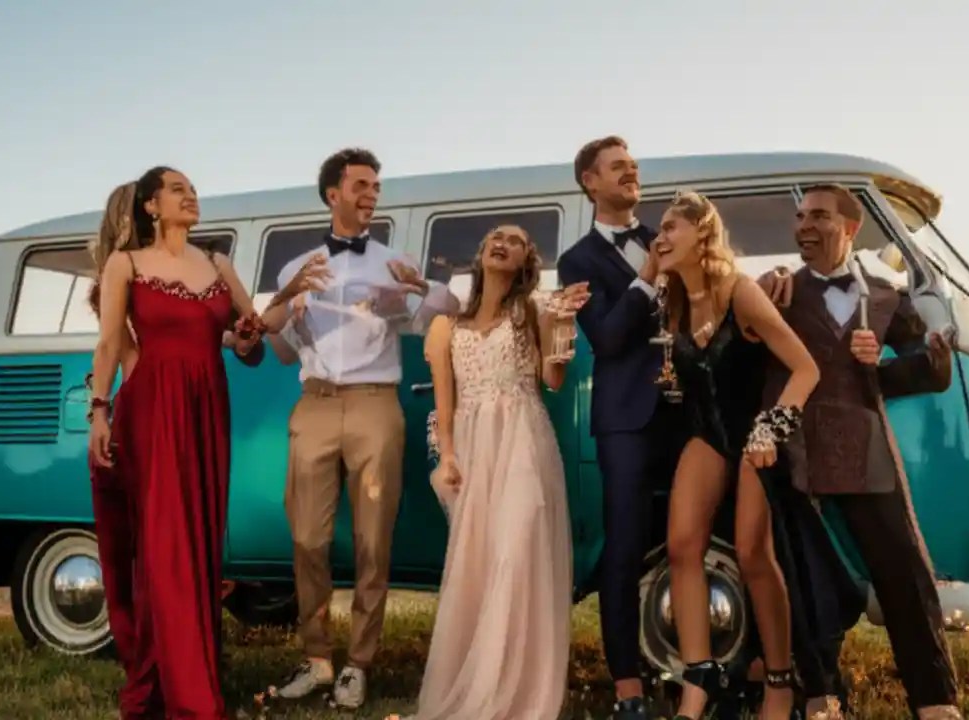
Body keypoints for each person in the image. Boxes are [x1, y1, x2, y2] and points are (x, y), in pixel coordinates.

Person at [758, 183, 961, 720]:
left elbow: (930, 371)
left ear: (850, 229)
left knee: (905, 572)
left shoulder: (887, 294)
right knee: (805, 574)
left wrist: (882, 367)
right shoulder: (779, 292)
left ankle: (936, 700)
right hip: (797, 454)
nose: (803, 225)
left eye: (818, 216)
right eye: (800, 216)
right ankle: (821, 693)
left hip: (867, 451)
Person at [267, 147, 460, 710]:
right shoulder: (294, 267)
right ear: (334, 194)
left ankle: (359, 664)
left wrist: (414, 289)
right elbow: (279, 349)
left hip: (377, 403)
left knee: (375, 538)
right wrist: (291, 309)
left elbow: (450, 310)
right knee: (307, 536)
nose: (372, 193)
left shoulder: (394, 260)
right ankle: (317, 657)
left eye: (376, 185)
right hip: (316, 403)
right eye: (361, 185)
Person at [386, 224, 591, 720]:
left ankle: (520, 689)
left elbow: (553, 378)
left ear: (526, 262)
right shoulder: (445, 328)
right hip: (475, 446)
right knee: (477, 559)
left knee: (518, 549)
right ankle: (477, 679)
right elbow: (445, 401)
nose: (503, 242)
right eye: (495, 236)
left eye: (517, 240)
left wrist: (563, 324)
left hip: (523, 437)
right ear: (480, 254)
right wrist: (449, 455)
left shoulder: (533, 311)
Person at [88, 167, 265, 719]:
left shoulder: (218, 265)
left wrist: (254, 334)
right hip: (150, 407)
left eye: (193, 188)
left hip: (207, 408)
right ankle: (189, 697)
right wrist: (99, 411)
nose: (190, 195)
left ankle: (176, 671)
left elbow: (247, 342)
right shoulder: (127, 264)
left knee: (200, 543)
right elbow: (111, 344)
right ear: (150, 207)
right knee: (166, 544)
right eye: (177, 189)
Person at [652, 190, 820, 720]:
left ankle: (778, 680)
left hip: (755, 434)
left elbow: (805, 369)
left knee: (752, 552)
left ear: (702, 232)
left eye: (669, 227)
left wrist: (772, 429)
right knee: (681, 546)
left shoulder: (740, 291)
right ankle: (698, 681)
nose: (659, 237)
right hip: (706, 435)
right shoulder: (673, 298)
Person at [556, 135, 688, 720]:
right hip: (626, 420)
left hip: (689, 412)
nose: (631, 173)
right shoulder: (578, 260)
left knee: (697, 533)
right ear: (590, 181)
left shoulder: (668, 232)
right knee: (625, 544)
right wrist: (648, 276)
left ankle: (708, 664)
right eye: (617, 167)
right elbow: (606, 338)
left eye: (633, 166)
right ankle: (628, 683)